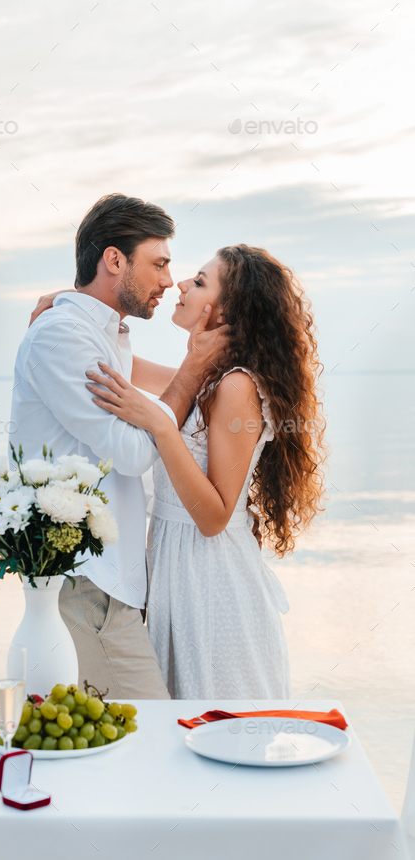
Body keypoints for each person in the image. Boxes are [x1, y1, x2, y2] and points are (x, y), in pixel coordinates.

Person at [9, 193, 229, 699]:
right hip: (89, 582)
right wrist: (195, 367)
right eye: (159, 263)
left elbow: (177, 391)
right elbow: (132, 451)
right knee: (151, 740)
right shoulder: (64, 334)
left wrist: (232, 367)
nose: (169, 281)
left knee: (118, 751)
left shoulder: (98, 330)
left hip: (111, 584)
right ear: (114, 259)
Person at [86, 245, 327, 699]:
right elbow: (123, 365)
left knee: (224, 733)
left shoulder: (237, 387)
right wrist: (69, 301)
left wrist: (159, 423)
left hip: (215, 586)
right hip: (180, 574)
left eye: (198, 281)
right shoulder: (205, 378)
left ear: (226, 309)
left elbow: (214, 517)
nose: (179, 284)